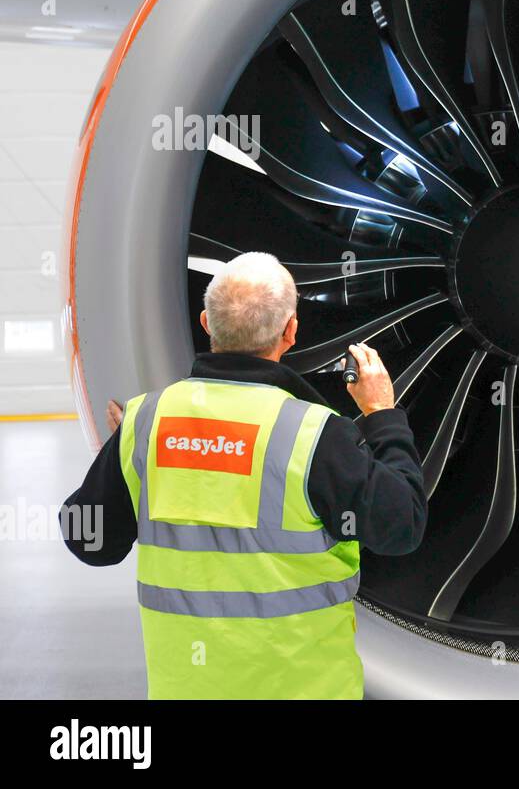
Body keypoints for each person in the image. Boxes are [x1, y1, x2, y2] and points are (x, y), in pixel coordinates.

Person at [61, 251, 426, 699]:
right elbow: (402, 525)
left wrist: (131, 462)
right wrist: (382, 415)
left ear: (206, 323)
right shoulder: (314, 433)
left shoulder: (146, 423)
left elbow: (89, 542)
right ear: (291, 331)